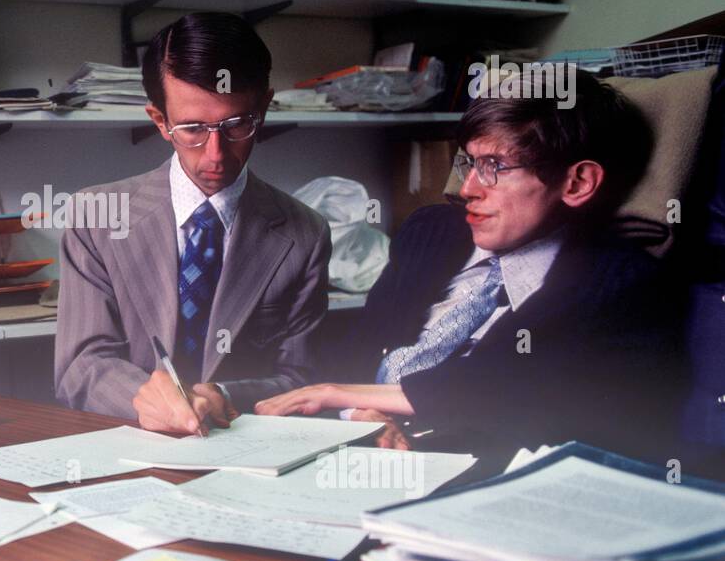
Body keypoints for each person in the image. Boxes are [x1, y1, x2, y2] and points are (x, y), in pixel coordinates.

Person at [255, 68, 682, 472]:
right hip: (352, 450)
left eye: (495, 166)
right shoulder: (432, 231)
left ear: (577, 183)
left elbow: (502, 389)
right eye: (470, 162)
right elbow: (360, 351)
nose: (467, 189)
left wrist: (338, 396)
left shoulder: (617, 280)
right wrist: (360, 413)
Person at [54, 12, 331, 436]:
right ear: (159, 121)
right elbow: (79, 366)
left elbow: (301, 377)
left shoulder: (305, 233)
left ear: (264, 108)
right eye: (192, 128)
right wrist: (142, 397)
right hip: (126, 444)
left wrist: (223, 394)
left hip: (246, 445)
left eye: (237, 125)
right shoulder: (95, 217)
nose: (216, 153)